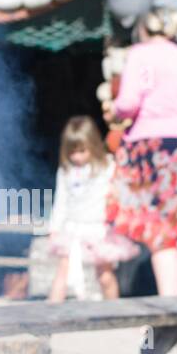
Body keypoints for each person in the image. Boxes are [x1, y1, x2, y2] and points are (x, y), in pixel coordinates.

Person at [107, 1, 177, 297]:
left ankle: (169, 310)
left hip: (159, 148)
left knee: (162, 233)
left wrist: (113, 109)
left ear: (142, 27)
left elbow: (129, 103)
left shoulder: (141, 55)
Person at [45, 116, 138, 302]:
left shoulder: (107, 167)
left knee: (104, 276)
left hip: (99, 230)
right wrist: (54, 228)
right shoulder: (65, 172)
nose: (77, 157)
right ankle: (51, 315)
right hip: (72, 229)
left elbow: (123, 190)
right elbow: (61, 202)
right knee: (63, 273)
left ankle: (115, 313)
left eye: (82, 151)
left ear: (93, 145)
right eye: (72, 152)